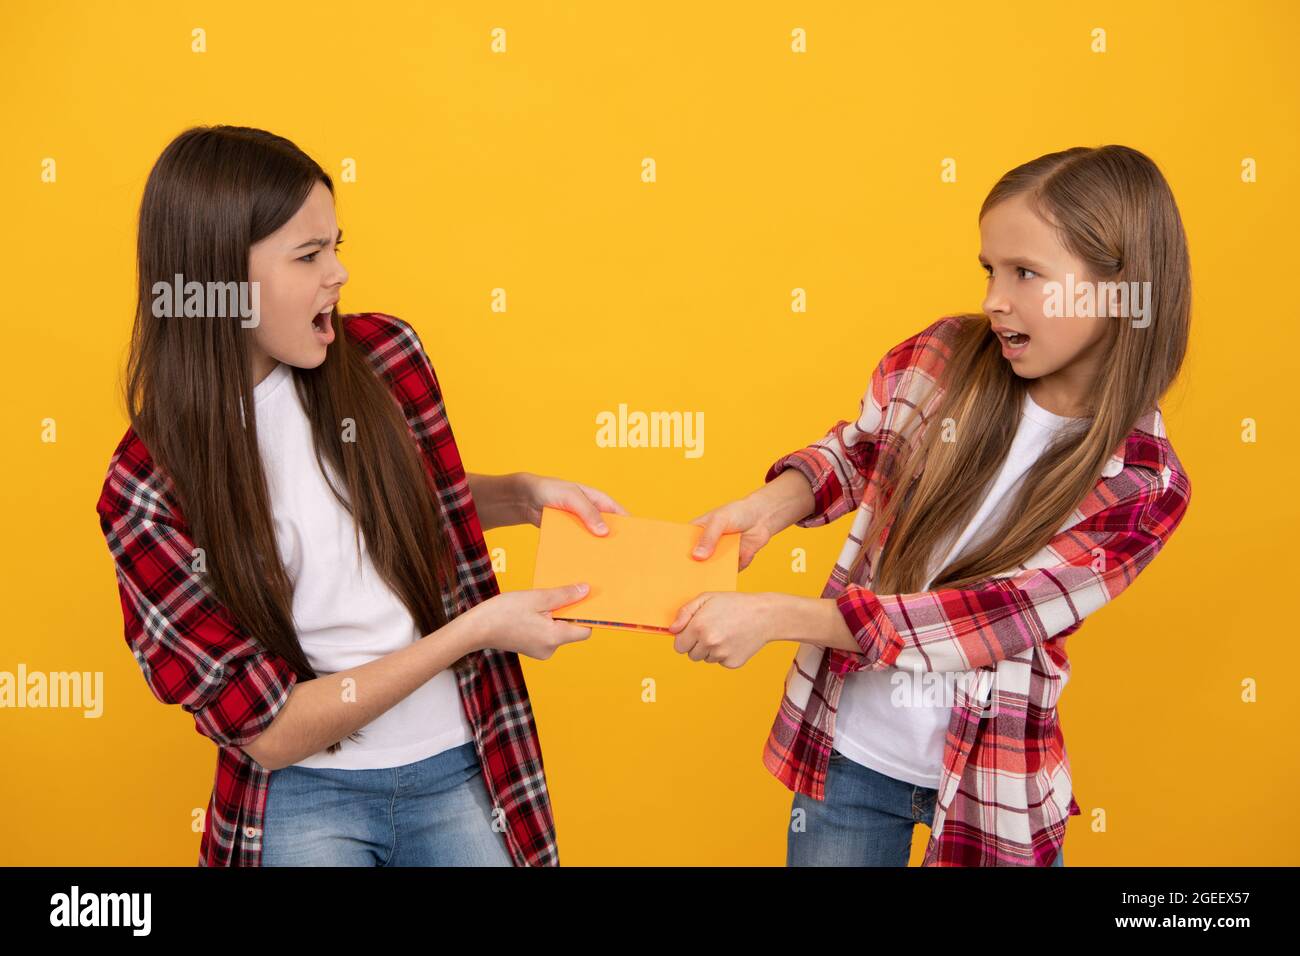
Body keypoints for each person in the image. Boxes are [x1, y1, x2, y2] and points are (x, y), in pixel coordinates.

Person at [96, 125, 618, 866]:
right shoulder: (145, 490)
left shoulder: (384, 359)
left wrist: (522, 496)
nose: (337, 273)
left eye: (336, 245)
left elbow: (390, 503)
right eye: (308, 256)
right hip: (307, 797)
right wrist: (472, 631)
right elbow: (269, 732)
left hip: (461, 765)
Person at [671, 145, 1193, 866]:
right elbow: (864, 450)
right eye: (990, 270)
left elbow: (987, 616)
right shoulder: (944, 357)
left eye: (1025, 273)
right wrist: (770, 506)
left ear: (1116, 288)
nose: (993, 300)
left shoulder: (1143, 484)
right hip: (849, 757)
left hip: (993, 786)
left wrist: (777, 617)